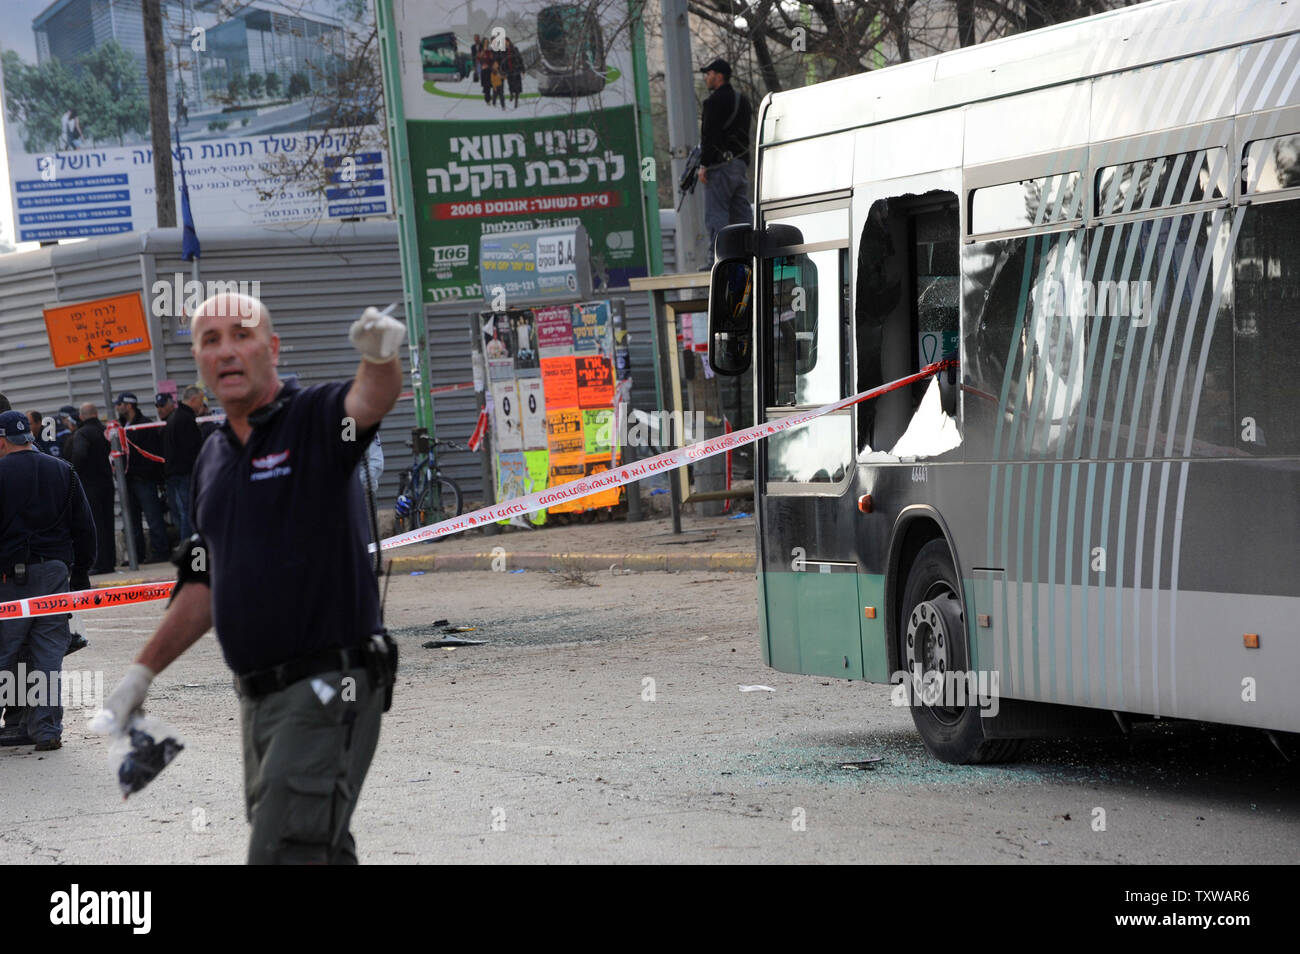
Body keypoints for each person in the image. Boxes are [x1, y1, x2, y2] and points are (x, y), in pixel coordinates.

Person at [97, 292, 404, 864]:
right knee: (317, 850)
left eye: (241, 334)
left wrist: (380, 355)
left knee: (285, 852)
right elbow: (202, 583)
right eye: (210, 340)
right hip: (260, 700)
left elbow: (368, 400)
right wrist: (141, 673)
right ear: (198, 360)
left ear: (273, 349)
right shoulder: (213, 458)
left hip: (328, 686)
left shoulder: (313, 417)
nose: (227, 350)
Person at [0, 410, 96, 752]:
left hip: (9, 576)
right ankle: (47, 731)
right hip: (55, 573)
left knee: (4, 652)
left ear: (1, 440)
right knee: (48, 655)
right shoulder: (63, 471)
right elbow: (84, 526)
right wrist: (82, 570)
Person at [697, 58, 753, 256]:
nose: (706, 78)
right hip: (739, 165)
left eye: (709, 74)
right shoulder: (743, 101)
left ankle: (719, 258)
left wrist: (704, 164)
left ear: (719, 76)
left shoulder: (713, 102)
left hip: (719, 167)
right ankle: (749, 252)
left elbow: (709, 136)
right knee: (741, 214)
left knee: (716, 214)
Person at [114, 392, 169, 563]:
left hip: (144, 479)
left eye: (120, 404)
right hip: (128, 481)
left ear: (129, 405)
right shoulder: (121, 426)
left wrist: (148, 473)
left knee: (153, 518)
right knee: (132, 521)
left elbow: (152, 453)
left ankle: (160, 552)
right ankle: (137, 555)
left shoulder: (145, 425)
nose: (117, 407)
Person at [67, 403, 116, 575]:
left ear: (81, 417)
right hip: (107, 483)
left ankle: (100, 563)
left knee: (96, 525)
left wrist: (73, 473)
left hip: (90, 484)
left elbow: (79, 454)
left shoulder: (82, 433)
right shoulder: (104, 431)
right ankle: (110, 561)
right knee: (108, 523)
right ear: (96, 414)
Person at [162, 388, 203, 540]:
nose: (201, 404)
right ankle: (191, 548)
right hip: (185, 472)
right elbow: (192, 448)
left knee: (182, 511)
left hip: (174, 472)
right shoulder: (186, 419)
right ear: (193, 400)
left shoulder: (174, 417)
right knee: (189, 511)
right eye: (200, 400)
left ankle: (187, 544)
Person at [504, 39, 524, 109]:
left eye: (506, 42)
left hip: (516, 70)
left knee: (517, 87)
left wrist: (523, 70)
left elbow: (520, 59)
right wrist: (504, 73)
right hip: (509, 71)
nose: (506, 43)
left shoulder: (515, 49)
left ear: (509, 42)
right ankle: (511, 94)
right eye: (504, 43)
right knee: (510, 85)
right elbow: (503, 63)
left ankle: (516, 101)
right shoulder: (504, 51)